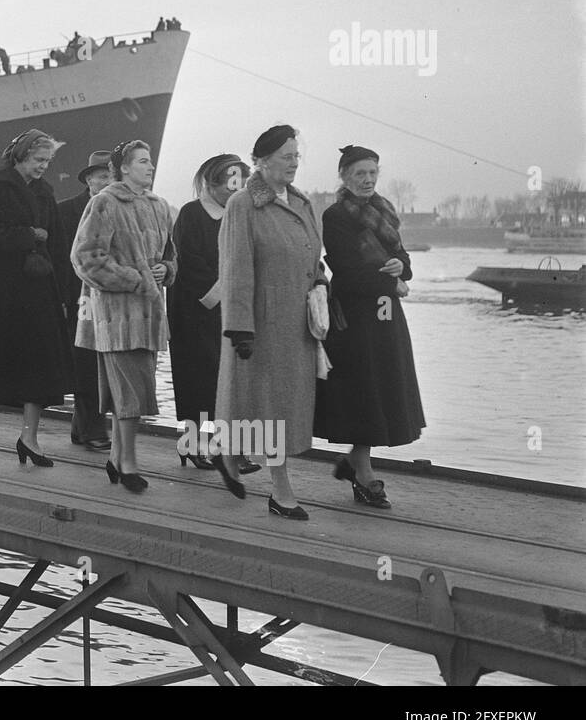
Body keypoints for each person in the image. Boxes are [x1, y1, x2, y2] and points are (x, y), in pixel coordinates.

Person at [213, 124, 326, 520]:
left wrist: (322, 281)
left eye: (297, 156)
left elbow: (314, 257)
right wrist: (240, 325)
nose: (294, 163)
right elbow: (235, 267)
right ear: (261, 161)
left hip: (297, 326)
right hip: (260, 323)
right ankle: (281, 490)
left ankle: (226, 453)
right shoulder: (244, 204)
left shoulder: (303, 204)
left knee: (277, 407)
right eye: (286, 156)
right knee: (270, 407)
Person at [314, 145, 426, 510]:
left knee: (382, 387)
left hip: (386, 317)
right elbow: (346, 268)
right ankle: (362, 471)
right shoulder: (336, 215)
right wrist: (390, 283)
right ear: (345, 176)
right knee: (364, 388)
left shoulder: (384, 211)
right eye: (360, 174)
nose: (367, 180)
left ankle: (354, 461)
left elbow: (403, 258)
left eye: (372, 173)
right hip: (355, 317)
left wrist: (399, 267)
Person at [0, 129, 74, 467]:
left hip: (38, 288)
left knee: (38, 362)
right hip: (1, 289)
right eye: (39, 160)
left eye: (48, 161)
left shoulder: (45, 191)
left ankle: (29, 437)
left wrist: (63, 292)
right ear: (22, 155)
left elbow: (56, 243)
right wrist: (28, 235)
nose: (44, 166)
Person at [71, 140, 176, 492]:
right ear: (124, 168)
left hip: (150, 314)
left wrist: (166, 269)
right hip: (116, 316)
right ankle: (128, 463)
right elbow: (85, 258)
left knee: (127, 391)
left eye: (151, 162)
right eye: (143, 162)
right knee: (130, 393)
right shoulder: (104, 203)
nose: (151, 167)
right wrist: (134, 279)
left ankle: (117, 458)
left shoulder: (160, 207)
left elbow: (170, 255)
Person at [168, 154, 260, 472]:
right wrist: (226, 288)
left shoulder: (241, 215)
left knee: (229, 382)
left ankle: (228, 449)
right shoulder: (192, 214)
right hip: (196, 312)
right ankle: (195, 446)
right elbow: (191, 264)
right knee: (199, 381)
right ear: (212, 184)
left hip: (229, 312)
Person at [56, 151, 113, 450]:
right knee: (86, 364)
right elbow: (58, 257)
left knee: (100, 362)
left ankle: (83, 428)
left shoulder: (118, 210)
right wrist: (62, 299)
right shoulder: (66, 211)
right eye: (101, 176)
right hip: (76, 298)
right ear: (88, 179)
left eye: (111, 176)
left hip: (108, 298)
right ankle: (95, 429)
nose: (107, 182)